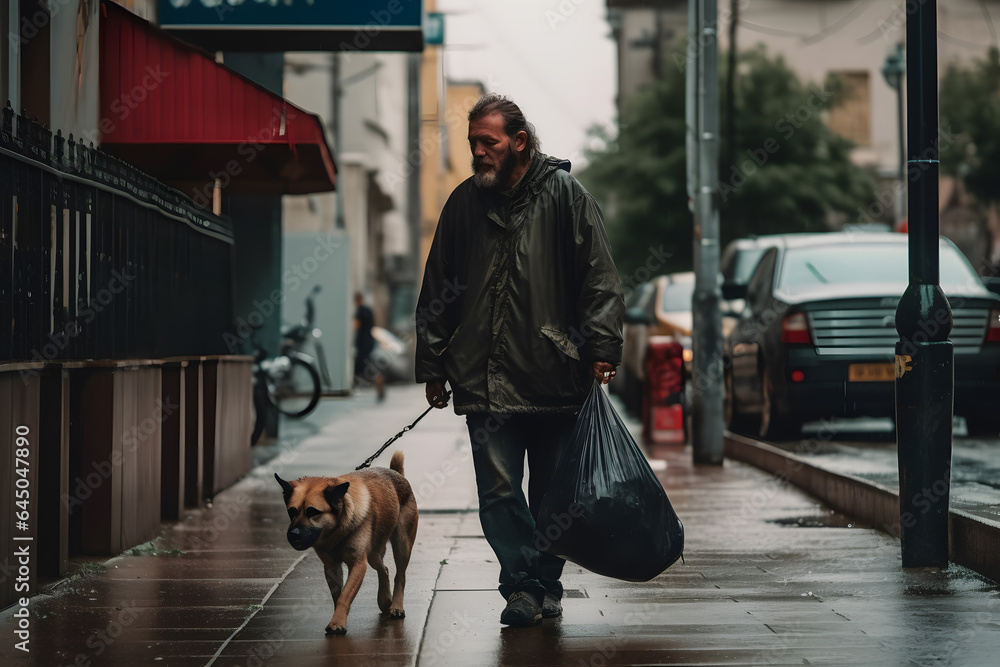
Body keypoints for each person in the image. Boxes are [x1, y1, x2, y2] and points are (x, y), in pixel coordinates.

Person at [415, 94, 624, 627]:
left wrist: (601, 347)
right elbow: (438, 284)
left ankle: (545, 584)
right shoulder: (464, 203)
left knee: (553, 496)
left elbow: (598, 276)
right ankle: (523, 587)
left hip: (555, 373)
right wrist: (434, 362)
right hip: (483, 378)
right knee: (500, 492)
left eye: (489, 143)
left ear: (520, 142)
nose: (479, 153)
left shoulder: (566, 196)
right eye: (473, 144)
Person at [353, 292, 385, 400]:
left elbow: (356, 326)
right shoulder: (368, 310)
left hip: (362, 342)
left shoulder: (359, 311)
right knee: (368, 364)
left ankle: (378, 379)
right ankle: (378, 382)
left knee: (364, 366)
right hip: (369, 341)